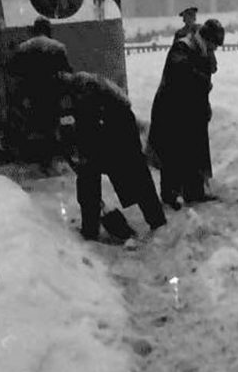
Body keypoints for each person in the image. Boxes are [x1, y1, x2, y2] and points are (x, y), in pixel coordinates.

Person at [57, 68, 167, 242]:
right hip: (109, 128)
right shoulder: (76, 89)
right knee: (90, 179)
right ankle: (90, 229)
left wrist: (83, 153)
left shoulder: (85, 91)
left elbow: (87, 127)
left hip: (118, 130)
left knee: (134, 176)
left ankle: (157, 222)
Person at [148, 17, 225, 208]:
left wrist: (205, 106)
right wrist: (203, 81)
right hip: (172, 109)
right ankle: (170, 195)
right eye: (214, 45)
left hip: (192, 109)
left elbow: (208, 73)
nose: (214, 49)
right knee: (173, 151)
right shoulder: (182, 47)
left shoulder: (202, 49)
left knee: (195, 150)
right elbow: (182, 75)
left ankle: (194, 191)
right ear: (206, 38)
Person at [5, 32, 72, 167]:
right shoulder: (58, 47)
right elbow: (67, 70)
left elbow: (12, 69)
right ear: (48, 31)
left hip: (32, 91)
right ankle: (49, 158)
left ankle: (33, 156)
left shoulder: (24, 47)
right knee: (51, 123)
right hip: (52, 90)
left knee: (33, 121)